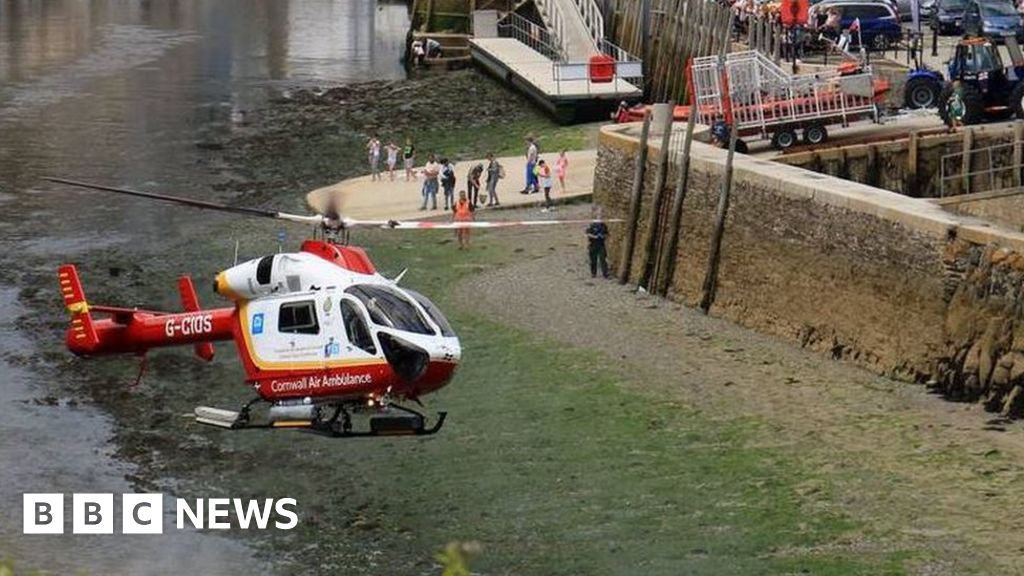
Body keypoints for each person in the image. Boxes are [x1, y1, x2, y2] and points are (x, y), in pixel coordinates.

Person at [586, 207, 610, 279]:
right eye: (599, 216)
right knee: (593, 260)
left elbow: (607, 234)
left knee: (603, 259)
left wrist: (603, 236)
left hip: (601, 244)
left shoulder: (604, 226)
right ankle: (593, 273)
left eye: (601, 217)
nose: (600, 218)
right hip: (593, 244)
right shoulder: (592, 225)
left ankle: (605, 274)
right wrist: (594, 236)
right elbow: (587, 233)